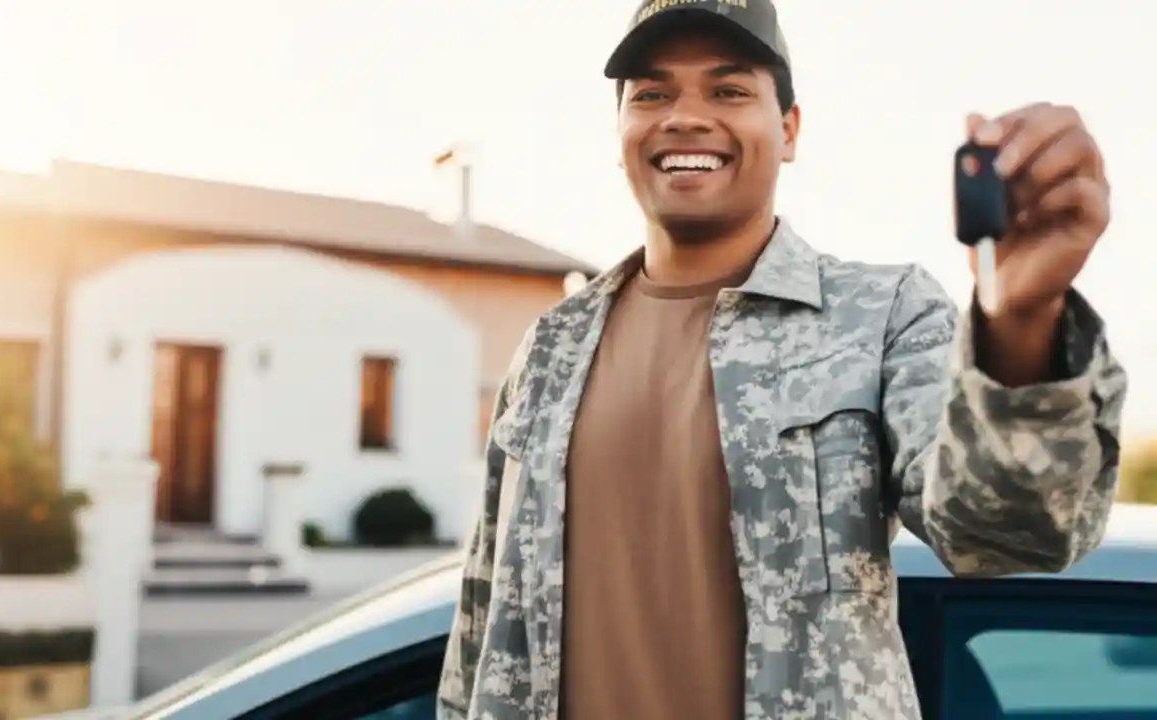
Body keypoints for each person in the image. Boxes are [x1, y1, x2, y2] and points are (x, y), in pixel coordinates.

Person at [437, 1, 1127, 718]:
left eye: (730, 90)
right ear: (620, 133)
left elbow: (1006, 535)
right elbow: (480, 623)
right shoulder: (550, 350)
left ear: (789, 130)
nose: (685, 116)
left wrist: (1019, 322)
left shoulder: (881, 315)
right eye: (652, 93)